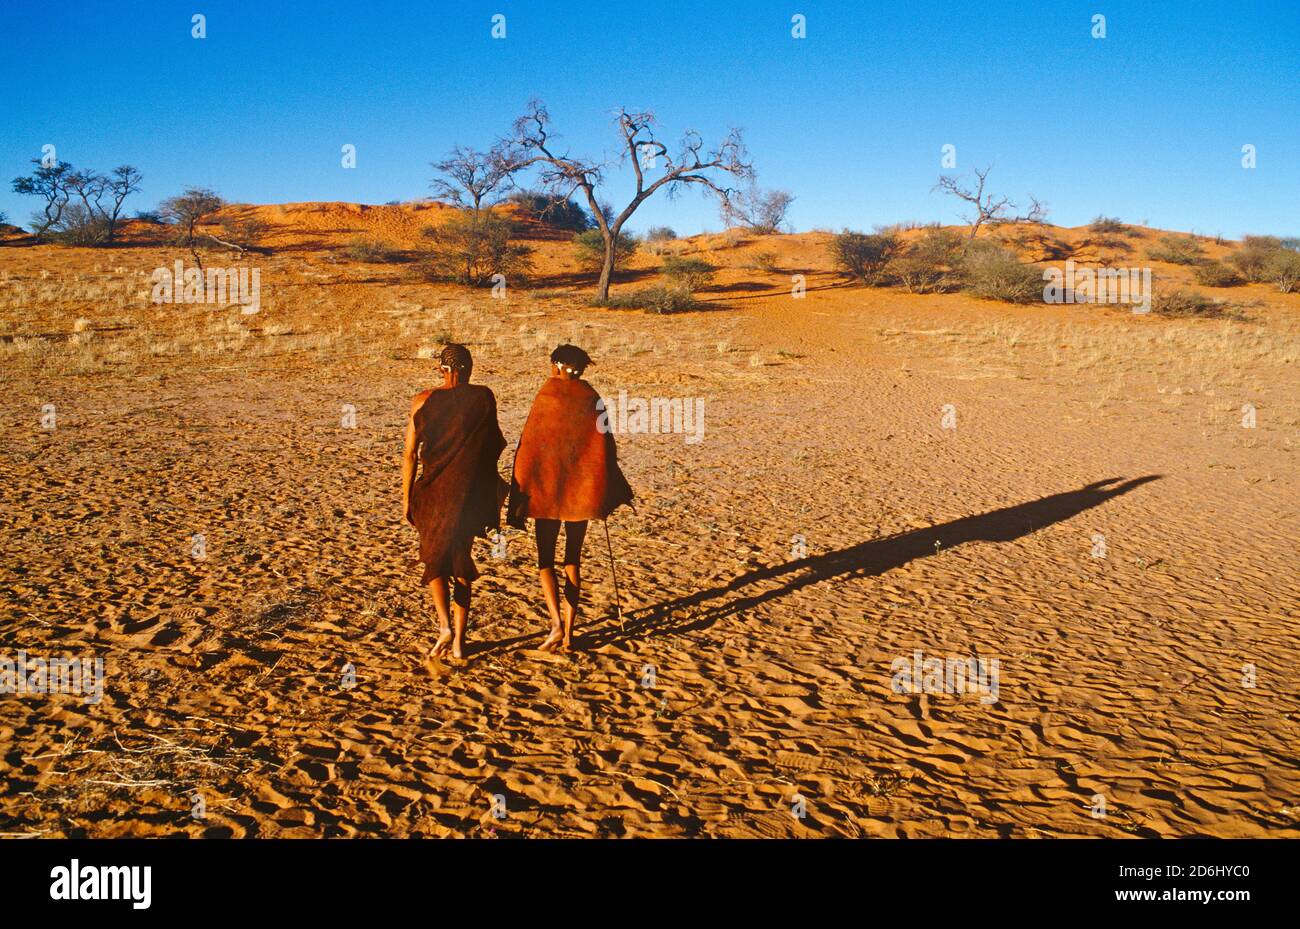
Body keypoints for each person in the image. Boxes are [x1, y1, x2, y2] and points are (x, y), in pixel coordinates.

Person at [508, 345, 633, 651]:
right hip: (581, 493)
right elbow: (606, 448)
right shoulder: (592, 398)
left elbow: (529, 447)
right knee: (572, 560)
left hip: (546, 493)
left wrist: (521, 489)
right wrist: (604, 488)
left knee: (545, 560)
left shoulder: (546, 397)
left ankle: (555, 625)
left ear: (557, 364)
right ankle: (569, 635)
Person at [402, 344, 506, 660]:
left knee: (434, 558)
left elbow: (409, 454)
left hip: (432, 493)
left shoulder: (423, 400)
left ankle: (444, 627)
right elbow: (492, 447)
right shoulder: (483, 397)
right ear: (470, 368)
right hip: (467, 495)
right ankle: (459, 642)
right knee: (461, 561)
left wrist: (406, 498)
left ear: (442, 370)